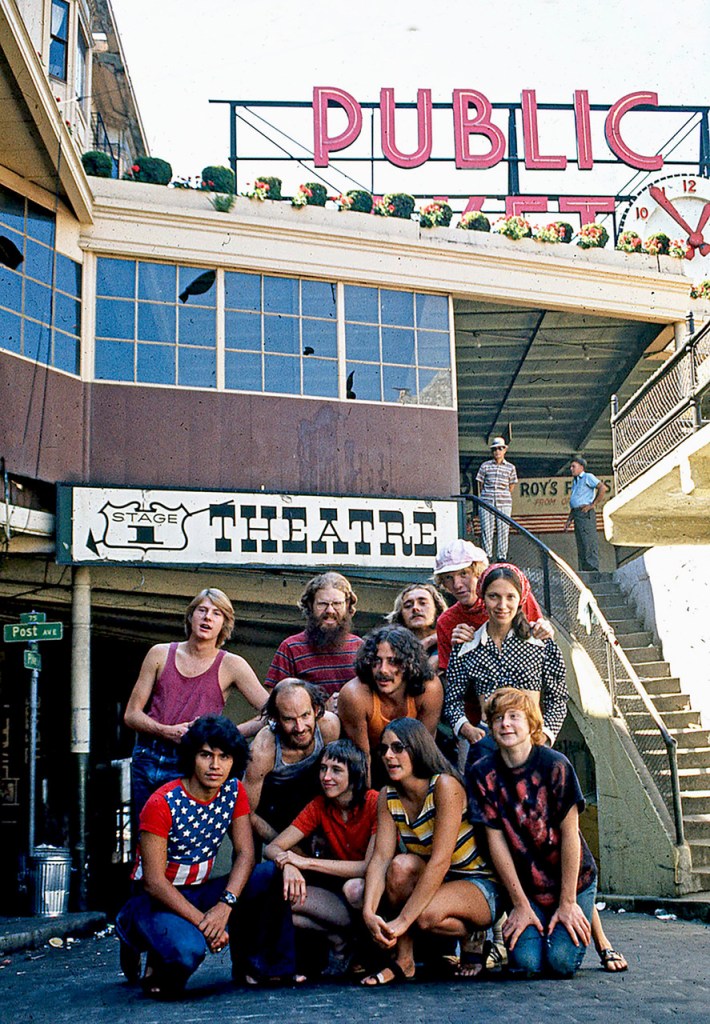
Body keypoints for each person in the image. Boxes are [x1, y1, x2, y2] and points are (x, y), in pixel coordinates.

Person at [115, 715, 254, 998]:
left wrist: (224, 907)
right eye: (206, 755)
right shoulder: (161, 803)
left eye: (224, 756)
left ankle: (256, 966)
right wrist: (206, 923)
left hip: (199, 890)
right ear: (192, 757)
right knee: (188, 951)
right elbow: (153, 882)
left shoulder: (233, 790)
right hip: (155, 898)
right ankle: (133, 930)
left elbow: (246, 853)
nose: (215, 766)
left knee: (266, 877)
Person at [468, 688, 597, 978]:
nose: (505, 724)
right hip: (529, 890)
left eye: (514, 717)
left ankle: (571, 922)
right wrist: (520, 905)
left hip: (572, 882)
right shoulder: (483, 773)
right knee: (527, 965)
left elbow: (571, 836)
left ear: (531, 724)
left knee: (561, 963)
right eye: (498, 718)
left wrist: (567, 903)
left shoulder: (555, 765)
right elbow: (496, 843)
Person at [361, 718, 501, 985]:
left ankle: (473, 933)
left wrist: (402, 921)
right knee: (400, 866)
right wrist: (369, 911)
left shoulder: (444, 786)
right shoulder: (387, 795)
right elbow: (380, 859)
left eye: (398, 747)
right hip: (441, 882)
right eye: (385, 749)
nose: (389, 755)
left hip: (479, 883)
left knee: (424, 916)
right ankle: (404, 960)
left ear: (417, 748)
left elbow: (440, 861)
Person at [124, 588, 269, 820]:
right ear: (191, 616)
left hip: (193, 761)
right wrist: (166, 731)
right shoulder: (159, 653)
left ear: (225, 624)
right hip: (149, 754)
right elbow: (131, 715)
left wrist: (223, 735)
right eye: (202, 610)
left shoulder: (232, 664)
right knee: (146, 835)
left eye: (216, 613)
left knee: (183, 835)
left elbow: (271, 714)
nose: (207, 617)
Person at [263, 739, 378, 979]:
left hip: (374, 897)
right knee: (285, 902)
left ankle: (366, 950)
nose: (326, 776)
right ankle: (339, 939)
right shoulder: (319, 806)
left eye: (336, 770)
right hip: (339, 901)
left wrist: (305, 862)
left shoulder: (374, 802)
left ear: (355, 774)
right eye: (323, 769)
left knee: (354, 888)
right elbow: (273, 847)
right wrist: (288, 865)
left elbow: (368, 867)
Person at [444, 563, 568, 752]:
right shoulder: (467, 647)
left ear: (520, 599)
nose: (502, 605)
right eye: (494, 596)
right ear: (483, 598)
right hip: (487, 742)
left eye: (510, 597)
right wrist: (467, 729)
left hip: (532, 741)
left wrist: (545, 735)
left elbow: (557, 698)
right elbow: (453, 699)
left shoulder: (540, 643)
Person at [338, 626, 444, 785]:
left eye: (393, 661)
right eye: (376, 661)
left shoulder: (429, 688)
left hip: (412, 764)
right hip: (373, 766)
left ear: (410, 663)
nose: (383, 670)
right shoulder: (354, 694)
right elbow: (361, 760)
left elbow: (424, 751)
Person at [433, 540, 551, 681]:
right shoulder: (446, 622)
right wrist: (458, 652)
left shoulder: (517, 599)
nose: (457, 584)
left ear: (478, 572)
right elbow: (452, 683)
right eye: (448, 577)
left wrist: (545, 632)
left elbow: (542, 648)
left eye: (463, 574)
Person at [243, 678, 341, 844]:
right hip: (270, 806)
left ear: (316, 710)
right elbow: (247, 813)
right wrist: (286, 847)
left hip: (309, 797)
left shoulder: (329, 726)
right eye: (289, 719)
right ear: (275, 718)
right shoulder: (263, 750)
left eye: (305, 715)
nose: (300, 727)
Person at [265, 572, 362, 709]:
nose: (330, 611)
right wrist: (319, 709)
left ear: (347, 606)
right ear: (310, 606)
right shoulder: (290, 647)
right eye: (322, 604)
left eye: (337, 604)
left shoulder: (360, 647)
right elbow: (274, 701)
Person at [385, 582, 447, 672]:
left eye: (422, 603)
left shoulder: (451, 642)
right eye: (408, 606)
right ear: (401, 615)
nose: (415, 608)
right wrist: (427, 642)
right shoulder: (391, 648)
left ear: (437, 609)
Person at [564, 456, 609, 573]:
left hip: (585, 513)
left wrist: (592, 505)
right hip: (577, 513)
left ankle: (592, 569)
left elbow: (603, 488)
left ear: (581, 467)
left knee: (588, 540)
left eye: (574, 466)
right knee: (581, 542)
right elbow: (575, 502)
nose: (571, 469)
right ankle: (584, 569)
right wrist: (569, 520)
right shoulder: (575, 482)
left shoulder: (588, 477)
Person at [476, 436, 518, 562]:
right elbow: (480, 483)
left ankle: (501, 557)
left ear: (505, 450)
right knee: (486, 530)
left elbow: (511, 485)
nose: (497, 452)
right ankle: (487, 556)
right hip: (487, 501)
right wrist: (486, 496)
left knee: (503, 530)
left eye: (500, 449)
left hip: (503, 502)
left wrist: (502, 495)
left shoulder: (510, 467)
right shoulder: (485, 466)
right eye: (495, 449)